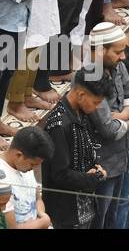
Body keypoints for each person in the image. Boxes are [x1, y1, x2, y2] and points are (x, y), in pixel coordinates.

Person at [39, 70, 108, 229]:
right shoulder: (59, 125)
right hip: (66, 214)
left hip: (84, 206)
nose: (97, 108)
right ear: (81, 94)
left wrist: (95, 166)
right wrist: (94, 178)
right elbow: (60, 174)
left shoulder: (80, 112)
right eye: (96, 102)